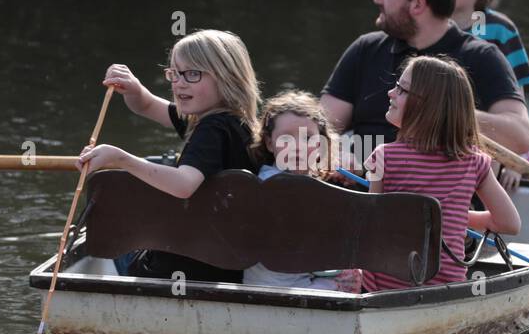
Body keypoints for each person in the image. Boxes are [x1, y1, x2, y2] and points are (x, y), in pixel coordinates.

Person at [320, 0, 529, 168]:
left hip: (438, 199)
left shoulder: (481, 57)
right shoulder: (366, 48)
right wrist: (334, 156)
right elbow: (323, 126)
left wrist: (444, 111)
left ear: (418, 5)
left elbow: (520, 138)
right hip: (360, 190)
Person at [78, 29, 260, 282]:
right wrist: (134, 89)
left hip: (184, 267)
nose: (179, 83)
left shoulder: (211, 129)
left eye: (193, 74)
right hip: (224, 263)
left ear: (228, 77)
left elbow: (183, 185)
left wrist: (121, 159)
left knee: (116, 231)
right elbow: (147, 106)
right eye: (174, 73)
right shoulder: (233, 123)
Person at [360, 55, 521, 292]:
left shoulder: (383, 157)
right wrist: (454, 218)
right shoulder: (474, 162)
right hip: (446, 290)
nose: (390, 94)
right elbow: (509, 223)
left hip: (383, 290)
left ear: (426, 107)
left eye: (401, 90)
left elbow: (373, 226)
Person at [243, 91, 361, 292]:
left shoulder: (267, 177)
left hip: (278, 283)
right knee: (351, 277)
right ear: (270, 143)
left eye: (308, 138)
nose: (298, 146)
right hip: (282, 288)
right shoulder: (276, 186)